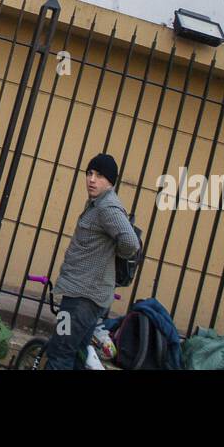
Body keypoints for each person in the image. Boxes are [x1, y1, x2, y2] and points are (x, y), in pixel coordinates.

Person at [44, 153, 140, 370]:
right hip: (83, 296)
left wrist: (117, 255)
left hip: (81, 298)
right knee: (78, 353)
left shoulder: (107, 207)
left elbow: (130, 242)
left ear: (111, 182)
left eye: (99, 175)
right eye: (89, 173)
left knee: (60, 350)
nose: (91, 179)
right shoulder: (97, 204)